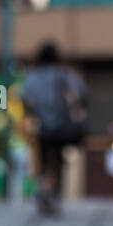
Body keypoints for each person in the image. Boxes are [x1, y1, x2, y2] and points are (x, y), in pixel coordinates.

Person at [21, 41, 86, 215]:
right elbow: (82, 93)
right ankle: (54, 196)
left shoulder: (32, 76)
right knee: (57, 162)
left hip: (41, 126)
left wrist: (33, 113)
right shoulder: (64, 74)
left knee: (42, 162)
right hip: (61, 125)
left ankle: (43, 190)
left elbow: (24, 97)